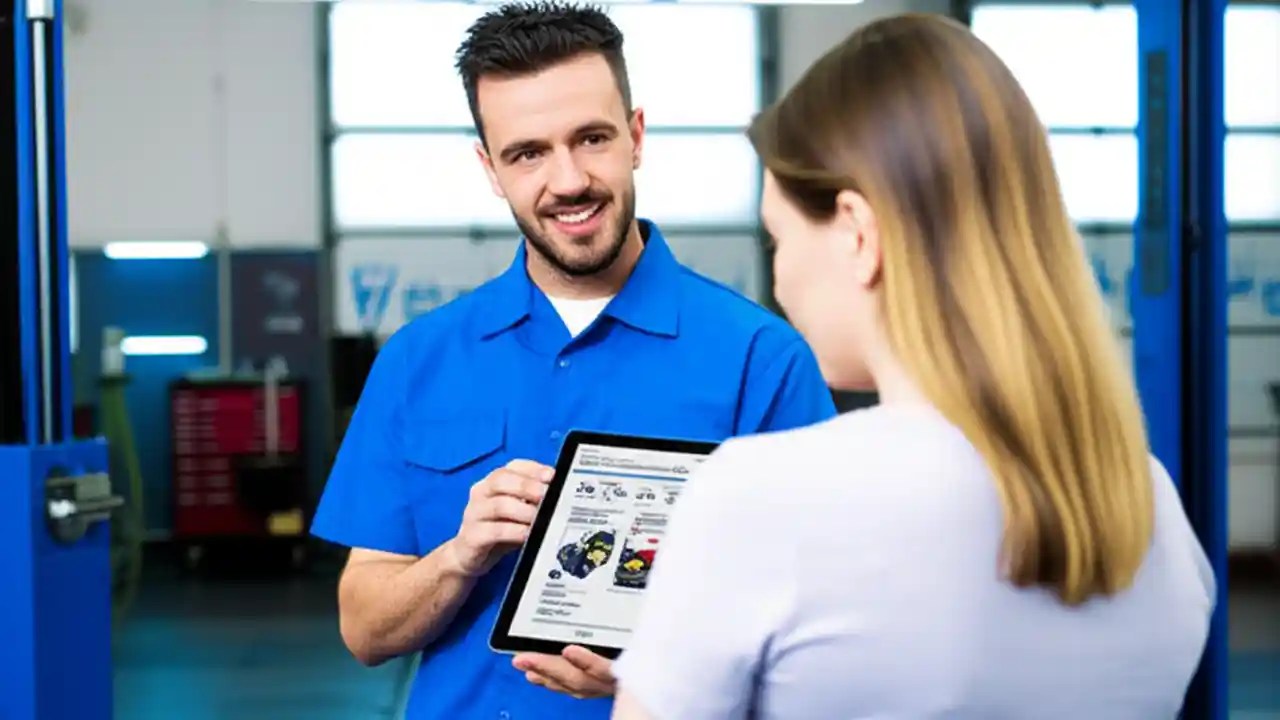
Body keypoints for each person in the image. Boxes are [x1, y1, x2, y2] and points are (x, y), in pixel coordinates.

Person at [610, 13, 1216, 720]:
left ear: (859, 234)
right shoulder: (1151, 508)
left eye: (779, 241)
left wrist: (670, 665)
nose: (781, 282)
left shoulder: (757, 497)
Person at [308, 3, 837, 719]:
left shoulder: (759, 361)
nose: (569, 180)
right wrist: (459, 557)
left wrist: (654, 680)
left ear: (636, 136)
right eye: (528, 153)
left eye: (591, 139)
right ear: (491, 169)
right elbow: (364, 629)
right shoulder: (418, 360)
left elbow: (820, 624)